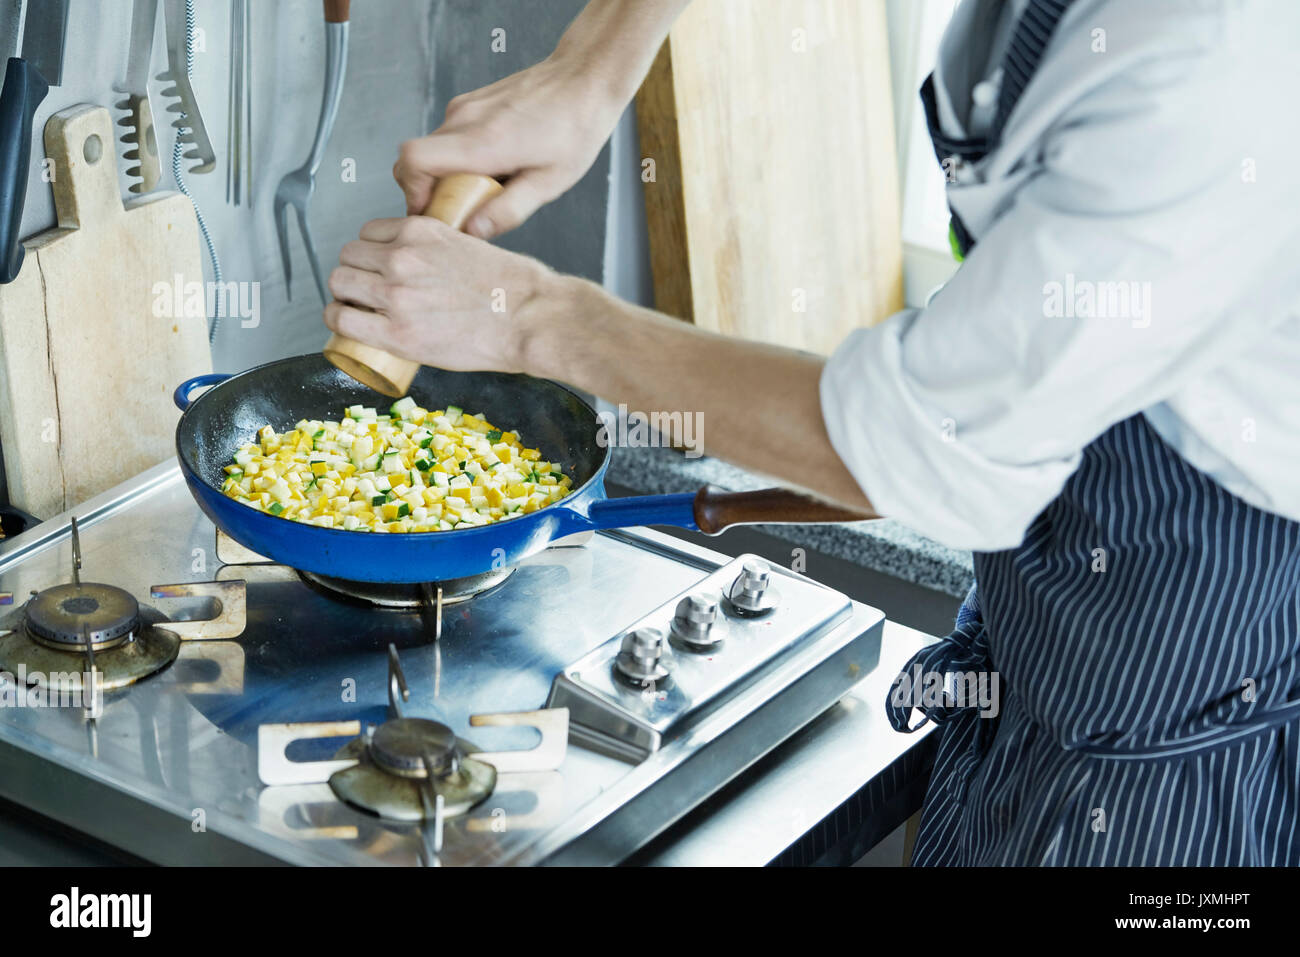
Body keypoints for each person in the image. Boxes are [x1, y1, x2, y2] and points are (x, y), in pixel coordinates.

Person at [325, 0, 1300, 865]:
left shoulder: (1209, 62)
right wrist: (593, 66)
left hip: (1172, 717)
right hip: (1028, 622)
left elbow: (927, 442)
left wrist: (531, 318)